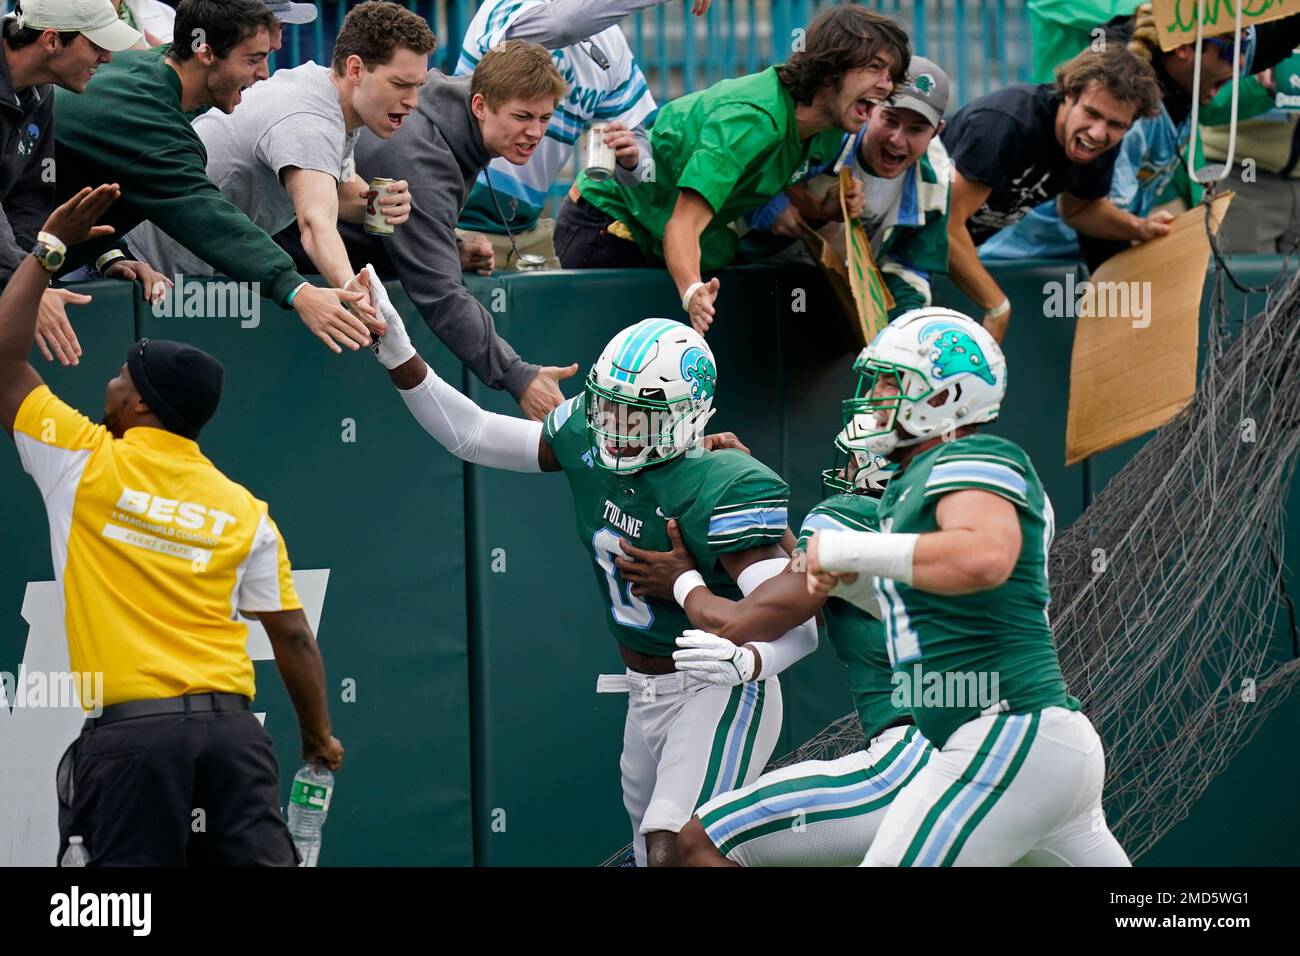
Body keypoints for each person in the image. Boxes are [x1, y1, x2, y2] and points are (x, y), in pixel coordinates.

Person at [357, 267, 821, 866]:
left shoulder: (721, 483)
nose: (617, 428)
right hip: (643, 690)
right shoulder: (586, 433)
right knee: (657, 854)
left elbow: (797, 623)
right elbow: (472, 434)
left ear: (690, 413)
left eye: (638, 415)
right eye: (610, 407)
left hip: (718, 687)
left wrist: (745, 659)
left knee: (673, 849)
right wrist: (398, 350)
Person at [0, 184, 343, 866]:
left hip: (133, 742)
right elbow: (295, 637)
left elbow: (4, 359)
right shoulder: (244, 508)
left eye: (120, 376)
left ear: (139, 402)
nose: (110, 382)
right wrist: (318, 739)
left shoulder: (82, 458)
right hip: (235, 740)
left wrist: (45, 251)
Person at [804, 307, 1130, 866]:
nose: (875, 395)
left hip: (1006, 735)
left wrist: (850, 552)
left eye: (891, 381)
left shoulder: (971, 456)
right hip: (1028, 741)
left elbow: (984, 558)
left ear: (942, 397)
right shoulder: (913, 483)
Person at [609, 412, 935, 866]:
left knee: (700, 842)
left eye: (848, 465)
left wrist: (683, 581)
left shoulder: (848, 518)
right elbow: (811, 589)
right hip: (1025, 742)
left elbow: (740, 621)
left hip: (919, 757)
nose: (839, 475)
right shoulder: (946, 527)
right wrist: (755, 513)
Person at [556, 4, 910, 334]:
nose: (886, 84)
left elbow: (771, 177)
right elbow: (683, 224)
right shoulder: (750, 121)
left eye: (891, 74)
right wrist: (693, 291)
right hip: (609, 226)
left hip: (670, 239)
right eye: (874, 67)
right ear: (830, 68)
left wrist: (824, 209)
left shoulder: (829, 129)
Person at [52, 0, 371, 354]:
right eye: (252, 59)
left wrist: (109, 254)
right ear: (205, 53)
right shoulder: (153, 125)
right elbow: (206, 216)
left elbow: (88, 179)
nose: (264, 73)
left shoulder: (147, 70)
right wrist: (295, 289)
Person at [122, 1, 434, 304]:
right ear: (355, 69)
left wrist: (379, 207)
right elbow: (315, 222)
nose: (413, 101)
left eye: (418, 86)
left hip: (174, 277)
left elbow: (332, 189)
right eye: (400, 84)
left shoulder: (327, 97)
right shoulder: (308, 119)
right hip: (132, 267)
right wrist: (351, 288)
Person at [338, 39, 580, 421]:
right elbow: (440, 295)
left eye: (544, 118)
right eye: (522, 117)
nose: (536, 132)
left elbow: (381, 221)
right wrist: (518, 376)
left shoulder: (443, 117)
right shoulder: (420, 158)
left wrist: (449, 246)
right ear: (480, 105)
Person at [980, 6, 1300, 269]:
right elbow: (1099, 230)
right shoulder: (1126, 115)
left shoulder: (1190, 69)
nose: (1243, 63)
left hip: (1073, 258)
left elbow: (1271, 37)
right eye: (1234, 52)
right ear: (1185, 48)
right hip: (1031, 263)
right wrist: (1123, 310)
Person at [452, 0, 699, 271]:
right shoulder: (505, 5)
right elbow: (563, 26)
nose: (534, 130)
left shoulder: (610, 42)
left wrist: (632, 159)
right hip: (458, 226)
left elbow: (643, 169)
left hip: (528, 232)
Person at [940, 45, 1165, 341]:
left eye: (1115, 124)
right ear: (1069, 94)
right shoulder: (1006, 123)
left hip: (937, 253)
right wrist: (997, 307)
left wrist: (1138, 227)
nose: (1098, 133)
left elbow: (1079, 211)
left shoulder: (1097, 143)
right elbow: (946, 224)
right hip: (899, 240)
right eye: (1092, 113)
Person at [742, 56, 954, 318]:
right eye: (890, 119)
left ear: (936, 131)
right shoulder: (829, 129)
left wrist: (904, 324)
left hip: (836, 301)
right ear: (871, 107)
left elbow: (909, 264)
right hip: (752, 271)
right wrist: (769, 206)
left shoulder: (936, 178)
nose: (897, 139)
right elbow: (746, 165)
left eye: (917, 129)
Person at [1, 0, 141, 366]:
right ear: (51, 40)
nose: (107, 58)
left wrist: (32, 277)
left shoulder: (40, 92)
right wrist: (24, 283)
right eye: (96, 46)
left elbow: (27, 198)